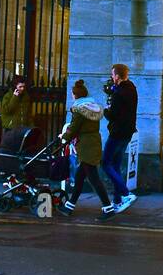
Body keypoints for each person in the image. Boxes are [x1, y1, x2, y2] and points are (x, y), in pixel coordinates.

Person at [59, 81, 115, 218]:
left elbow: (74, 127)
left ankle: (108, 208)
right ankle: (69, 206)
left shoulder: (79, 110)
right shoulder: (91, 107)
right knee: (79, 177)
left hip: (85, 146)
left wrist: (64, 136)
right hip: (93, 143)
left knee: (94, 179)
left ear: (75, 95)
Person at [102, 63, 138, 213]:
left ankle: (126, 193)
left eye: (112, 75)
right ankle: (117, 200)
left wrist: (105, 110)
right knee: (116, 165)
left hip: (117, 133)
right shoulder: (132, 89)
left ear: (117, 76)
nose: (112, 77)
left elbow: (112, 115)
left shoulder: (118, 94)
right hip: (128, 132)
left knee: (105, 163)